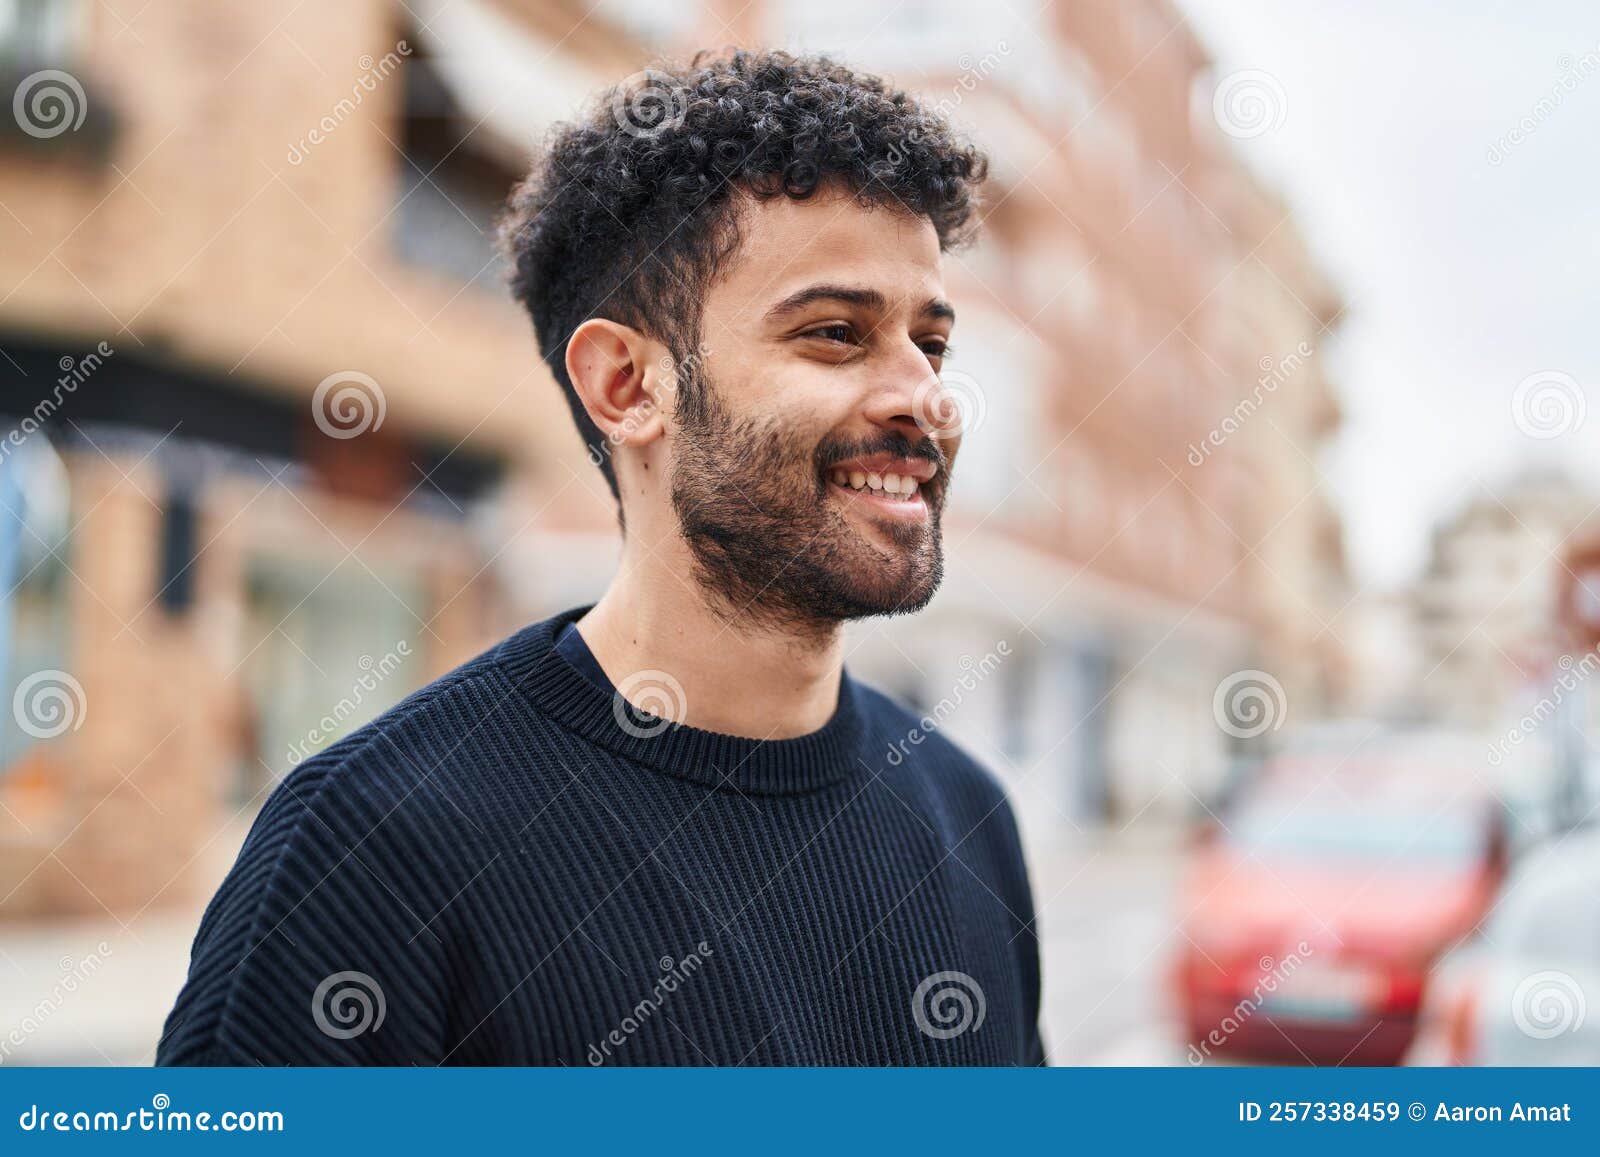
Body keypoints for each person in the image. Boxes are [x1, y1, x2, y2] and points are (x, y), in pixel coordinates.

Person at [158, 48, 1043, 1066]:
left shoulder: (966, 817)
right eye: (836, 332)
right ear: (627, 385)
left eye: (930, 344)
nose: (926, 398)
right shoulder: (369, 850)